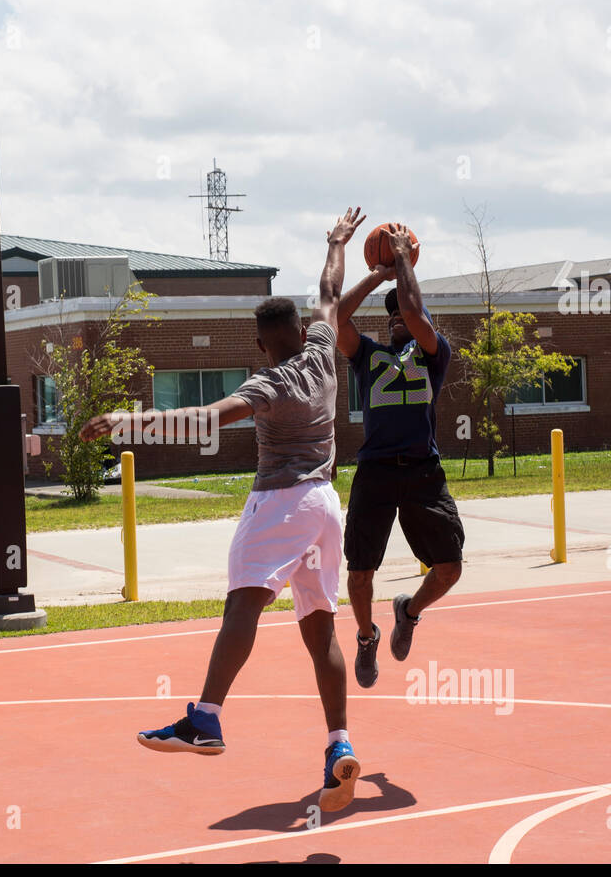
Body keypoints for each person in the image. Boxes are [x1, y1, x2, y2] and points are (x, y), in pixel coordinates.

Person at [80, 208, 368, 811]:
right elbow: (330, 290)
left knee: (244, 604)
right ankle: (339, 746)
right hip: (325, 506)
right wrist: (337, 242)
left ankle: (206, 718)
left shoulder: (270, 384)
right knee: (321, 630)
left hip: (281, 503)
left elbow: (207, 418)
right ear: (300, 328)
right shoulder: (321, 350)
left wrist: (127, 422)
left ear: (262, 344)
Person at [334, 224, 465, 688]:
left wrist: (405, 263)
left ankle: (408, 612)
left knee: (449, 568)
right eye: (388, 313)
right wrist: (377, 275)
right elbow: (336, 317)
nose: (396, 317)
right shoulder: (366, 356)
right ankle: (367, 637)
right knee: (359, 574)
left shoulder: (434, 354)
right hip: (375, 472)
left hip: (422, 473)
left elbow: (411, 308)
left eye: (404, 315)